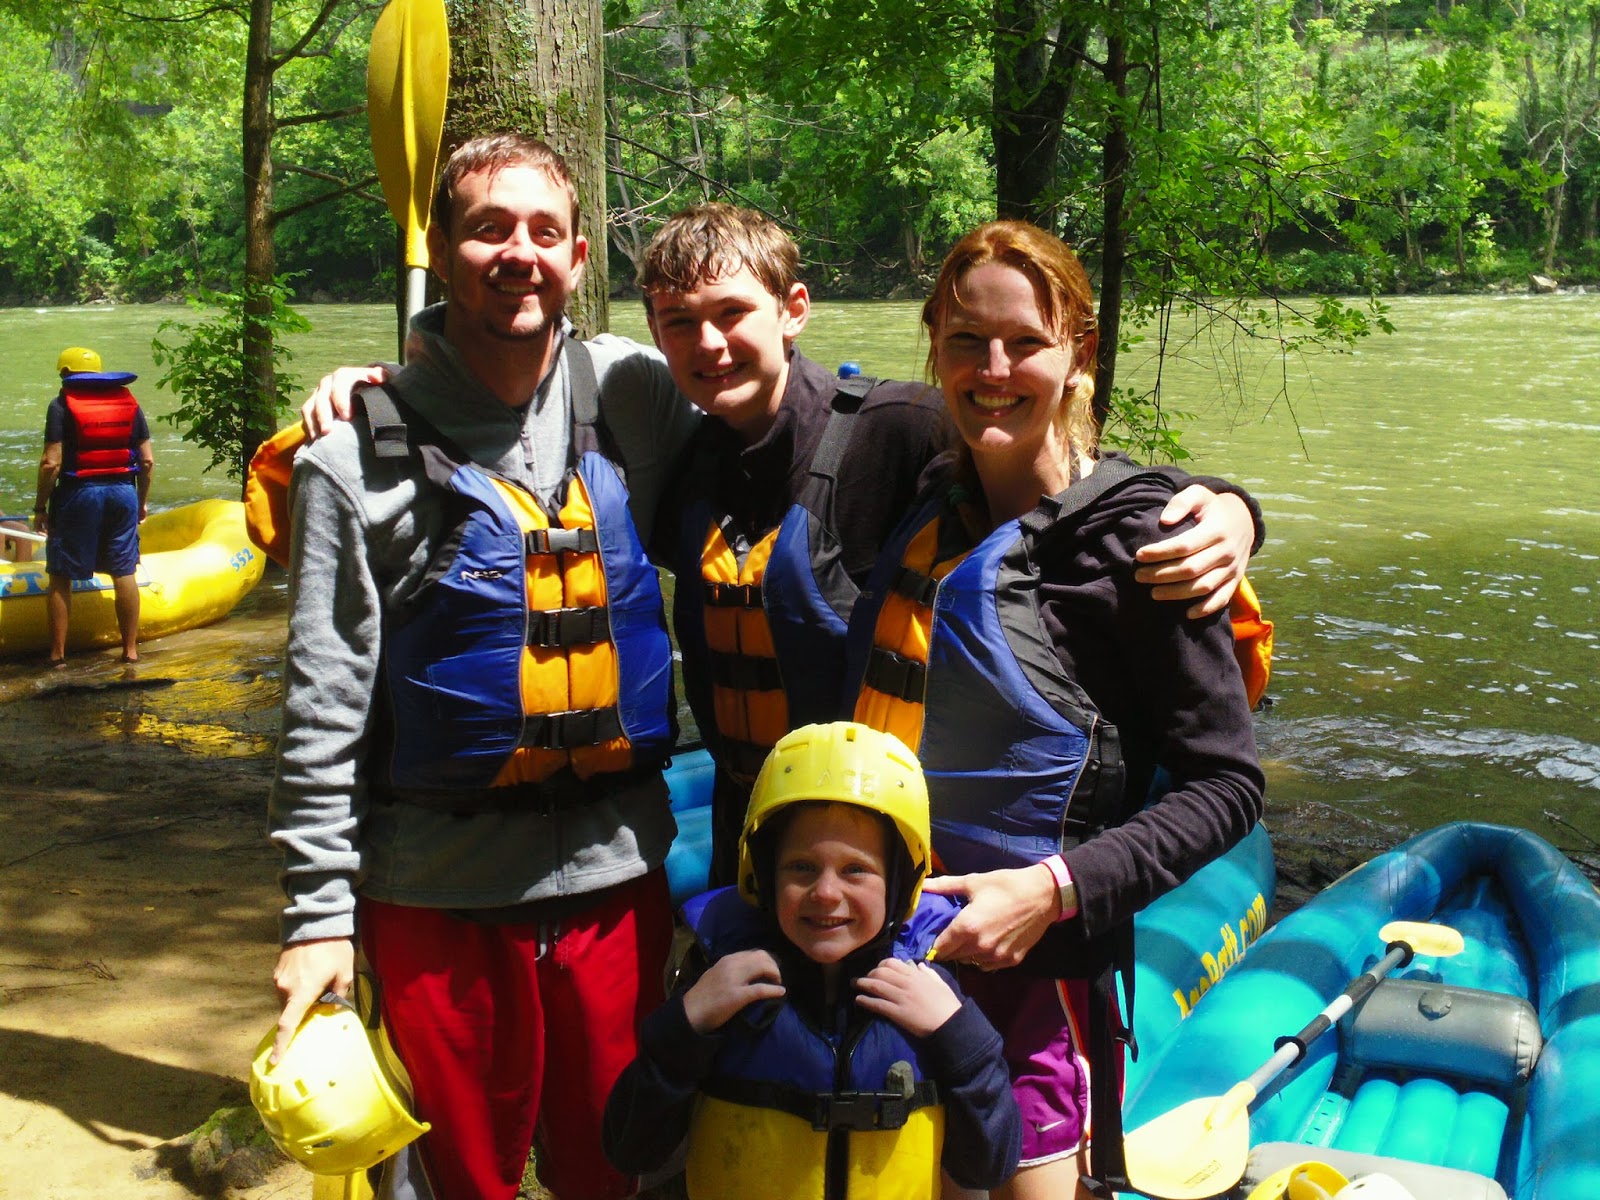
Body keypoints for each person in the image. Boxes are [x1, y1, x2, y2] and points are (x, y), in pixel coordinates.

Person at [299, 202, 1264, 892]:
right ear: (655, 335)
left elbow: (1055, 465)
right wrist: (397, 380)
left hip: (878, 841)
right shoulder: (670, 447)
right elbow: (518, 394)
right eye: (681, 324)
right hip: (746, 824)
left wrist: (1227, 505)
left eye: (733, 316)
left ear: (793, 311)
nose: (710, 346)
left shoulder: (896, 430)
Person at [265, 134, 698, 1200]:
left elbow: (801, 432)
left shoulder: (634, 395)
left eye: (544, 232)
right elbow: (323, 705)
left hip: (617, 884)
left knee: (623, 1171)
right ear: (443, 251)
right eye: (489, 228)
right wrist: (317, 916)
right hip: (436, 900)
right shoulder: (350, 454)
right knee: (459, 1184)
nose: (520, 253)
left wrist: (1182, 496)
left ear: (580, 257)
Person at [844, 222, 1267, 1199]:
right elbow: (758, 388)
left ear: (1078, 353)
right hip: (892, 957)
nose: (993, 370)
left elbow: (1227, 786)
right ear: (934, 349)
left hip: (1044, 978)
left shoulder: (1145, 548)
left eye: (1025, 343)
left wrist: (1051, 889)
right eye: (964, 341)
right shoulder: (923, 493)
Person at [603, 720, 1022, 1197]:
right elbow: (631, 1151)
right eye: (801, 867)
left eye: (856, 870)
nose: (825, 892)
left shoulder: (930, 991)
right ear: (763, 872)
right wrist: (686, 1024)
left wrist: (960, 1037)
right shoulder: (718, 982)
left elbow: (990, 1165)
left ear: (901, 882)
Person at [33, 346, 155, 666]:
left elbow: (50, 463)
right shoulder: (128, 403)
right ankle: (130, 651)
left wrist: (40, 507)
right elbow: (147, 460)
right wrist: (140, 502)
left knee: (61, 574)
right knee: (123, 570)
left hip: (78, 494)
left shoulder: (60, 406)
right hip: (123, 493)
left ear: (65, 374)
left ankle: (57, 655)